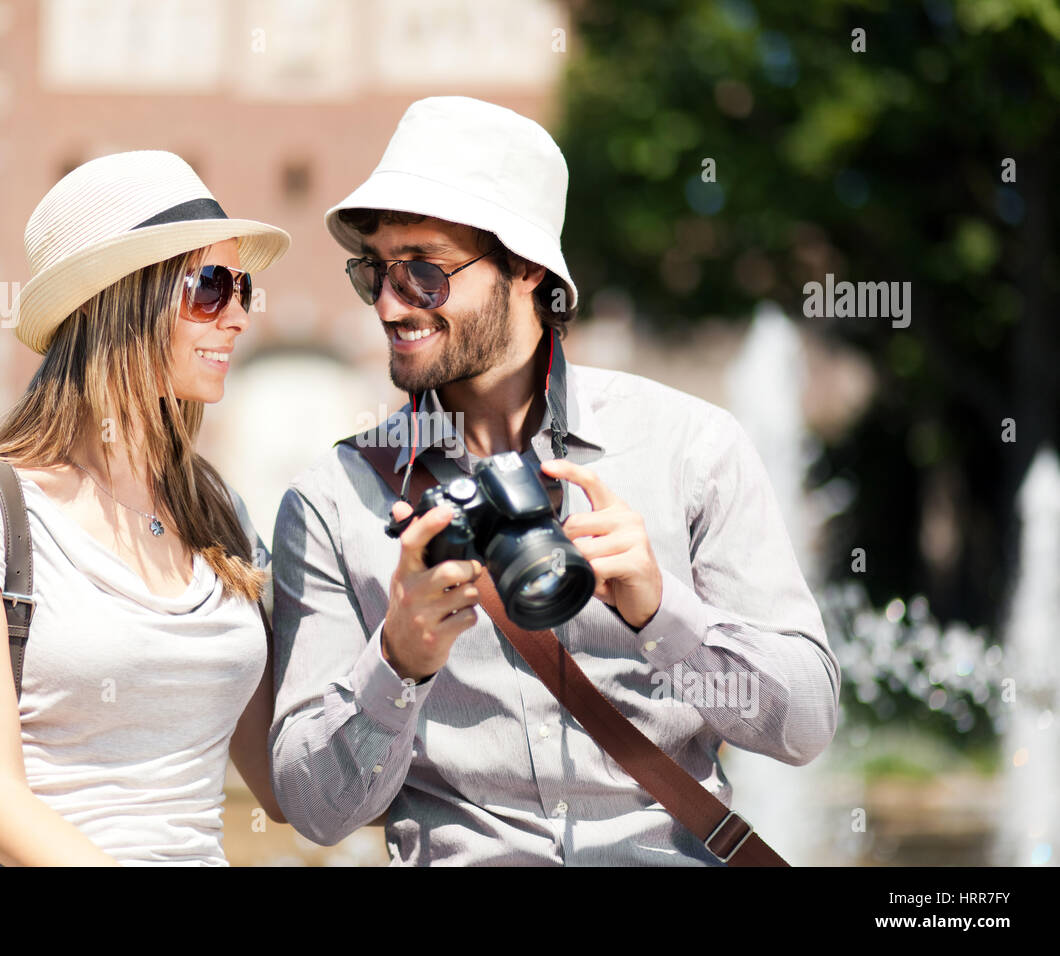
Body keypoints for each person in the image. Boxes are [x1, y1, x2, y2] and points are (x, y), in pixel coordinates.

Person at [268, 97, 841, 865]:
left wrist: (660, 609)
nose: (387, 301)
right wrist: (397, 660)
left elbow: (804, 726)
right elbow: (312, 810)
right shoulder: (331, 501)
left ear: (528, 267)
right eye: (373, 270)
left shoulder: (691, 448)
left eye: (423, 273)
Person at [0, 150, 290, 866]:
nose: (237, 316)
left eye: (244, 288)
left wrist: (403, 655)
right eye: (210, 287)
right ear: (120, 298)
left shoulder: (220, 511)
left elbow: (283, 786)